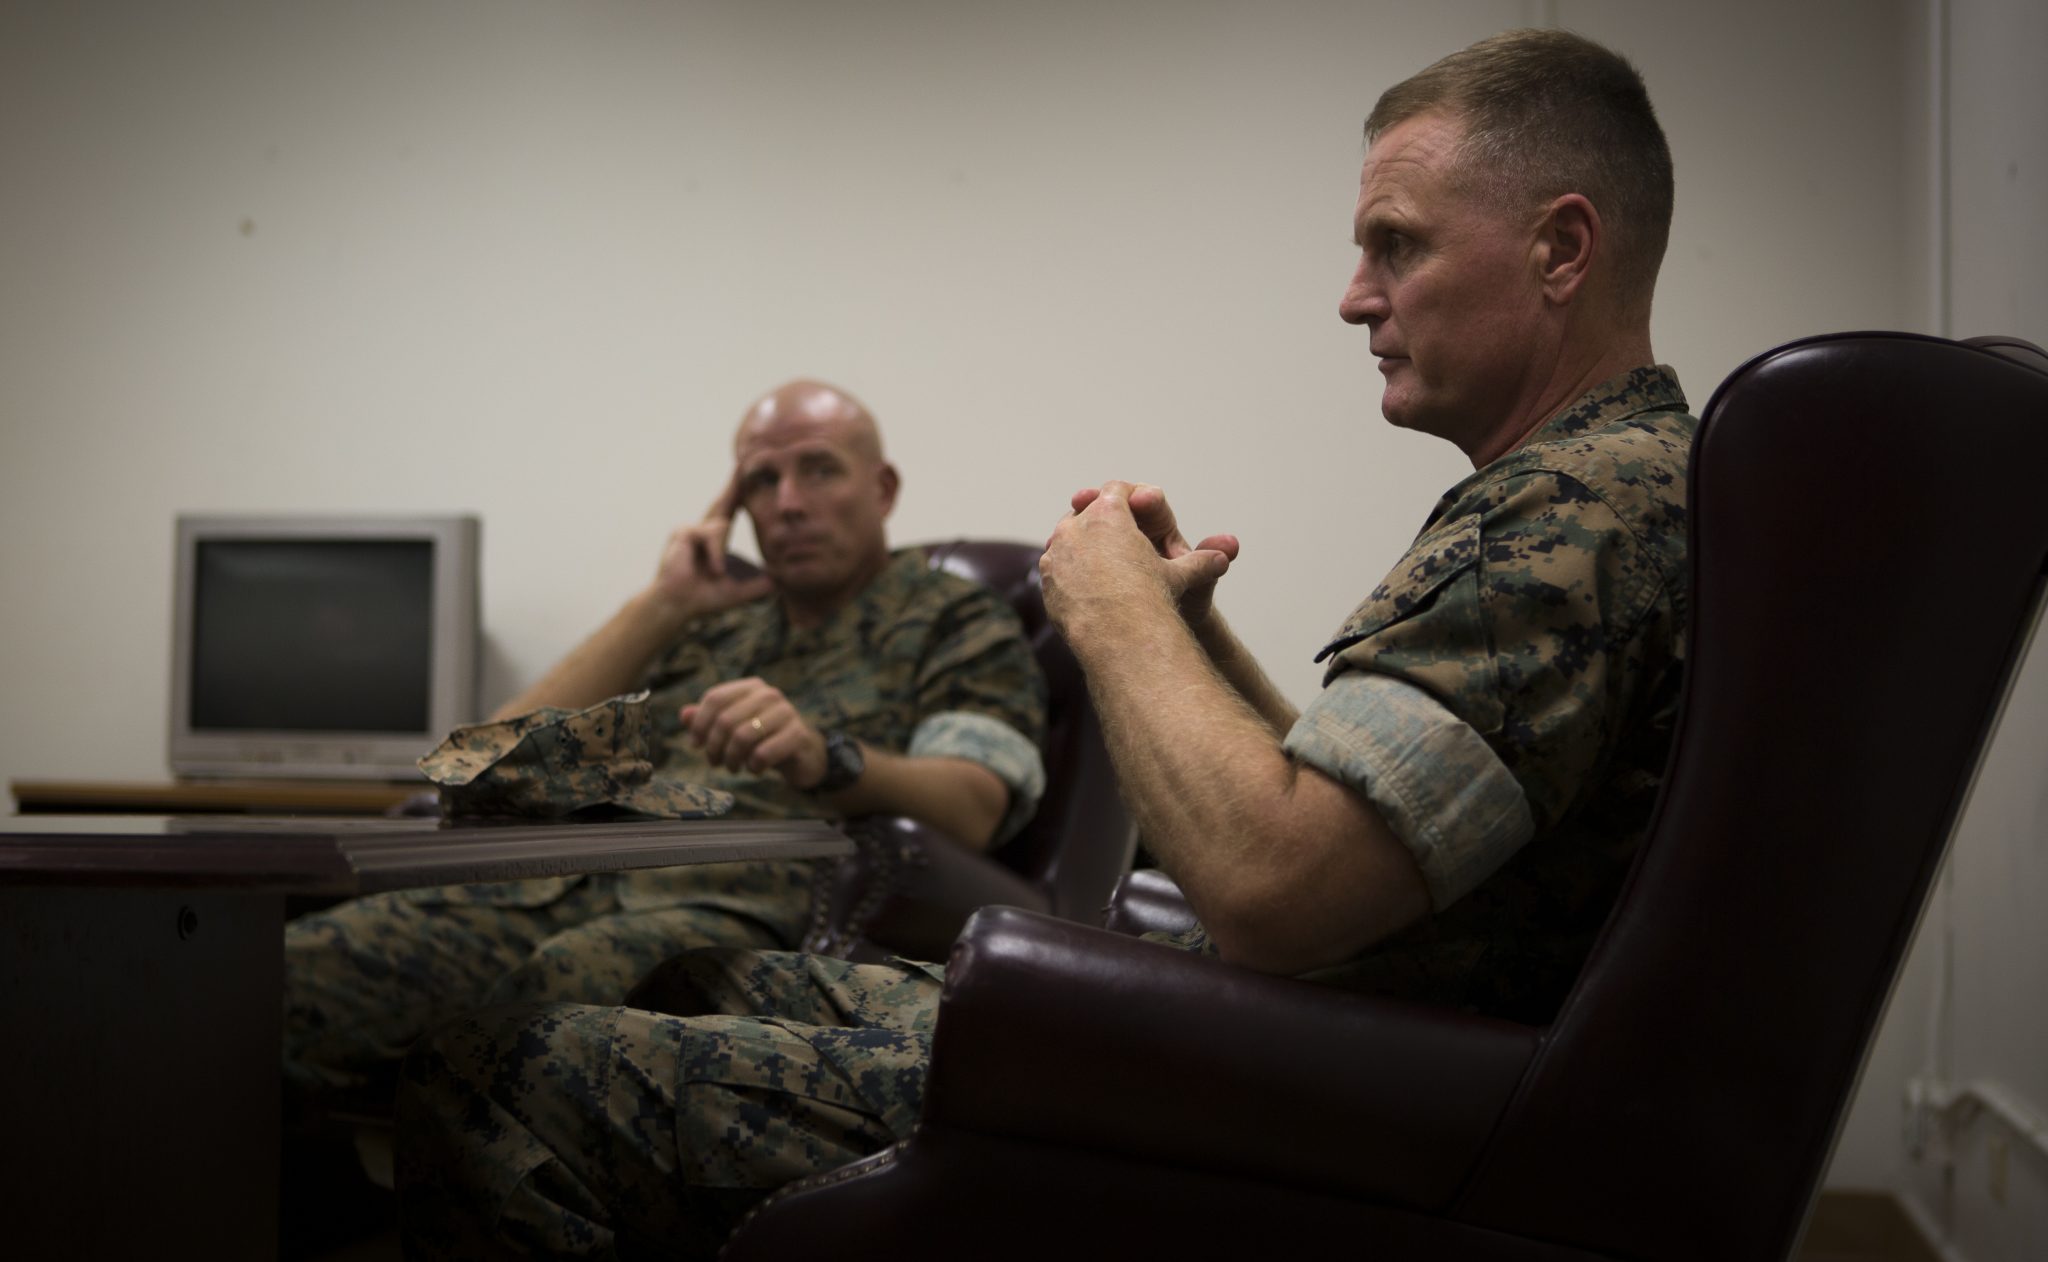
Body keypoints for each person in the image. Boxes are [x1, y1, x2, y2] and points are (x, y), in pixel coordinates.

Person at [394, 29, 1693, 1258]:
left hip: (1281, 1079)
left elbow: (1274, 886)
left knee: (516, 1059)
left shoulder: (1564, 513)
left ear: (1559, 250)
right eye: (761, 480)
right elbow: (1374, 817)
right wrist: (1186, 638)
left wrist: (1112, 619)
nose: (1354, 298)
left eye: (1395, 245)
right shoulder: (1603, 488)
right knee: (669, 981)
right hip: (1289, 1040)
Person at [282, 379, 1048, 1116]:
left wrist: (828, 756)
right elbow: (483, 770)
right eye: (761, 480)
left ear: (881, 489)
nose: (788, 502)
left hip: (737, 905)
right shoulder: (715, 630)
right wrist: (662, 605)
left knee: (532, 1012)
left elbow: (975, 803)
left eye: (819, 469)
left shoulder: (953, 618)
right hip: (557, 885)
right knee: (278, 981)